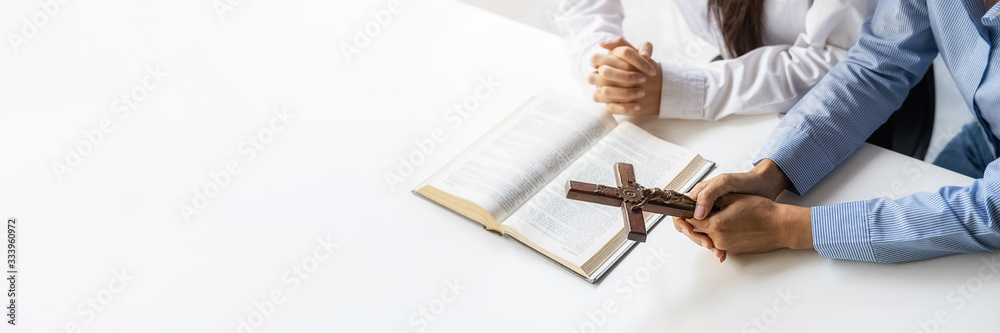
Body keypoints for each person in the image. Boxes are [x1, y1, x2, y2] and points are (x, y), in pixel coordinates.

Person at [674, 0, 1000, 264]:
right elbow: (877, 65)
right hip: (983, 143)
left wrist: (789, 228)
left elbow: (992, 208)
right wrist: (771, 173)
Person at [555, 0, 936, 159]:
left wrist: (685, 89)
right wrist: (601, 58)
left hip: (853, 101)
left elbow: (840, 61)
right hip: (738, 79)